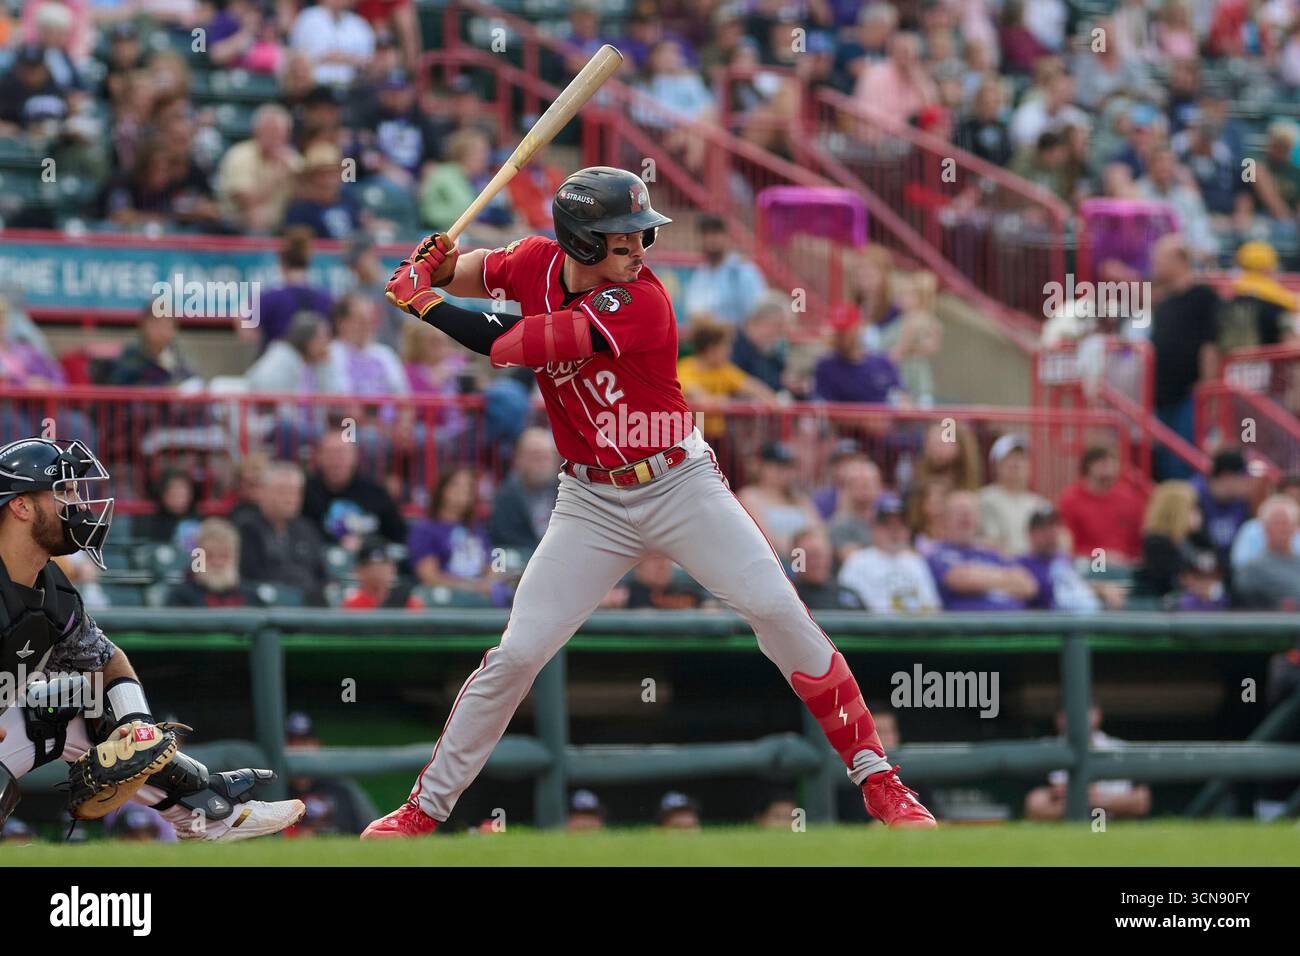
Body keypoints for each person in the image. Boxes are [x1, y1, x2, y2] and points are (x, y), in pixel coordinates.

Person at [366, 165, 937, 836]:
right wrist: (431, 263)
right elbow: (469, 271)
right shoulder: (531, 262)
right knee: (518, 654)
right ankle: (421, 811)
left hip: (677, 483)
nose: (639, 249)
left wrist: (422, 301)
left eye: (641, 235)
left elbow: (510, 344)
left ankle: (880, 780)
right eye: (622, 238)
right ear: (580, 244)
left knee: (777, 609)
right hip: (590, 501)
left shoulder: (643, 302)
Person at [0, 437, 303, 839]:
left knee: (83, 701)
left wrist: (138, 728)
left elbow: (107, 661)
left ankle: (209, 814)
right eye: (64, 492)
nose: (77, 504)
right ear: (20, 506)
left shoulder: (53, 590)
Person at [1148, 234, 1220, 481]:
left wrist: (1207, 387)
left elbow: (1210, 344)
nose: (1154, 264)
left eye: (1159, 258)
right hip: (1162, 395)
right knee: (1164, 462)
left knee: (1182, 462)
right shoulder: (1164, 302)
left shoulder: (1203, 296)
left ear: (1180, 260)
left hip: (1190, 394)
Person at [1023, 706, 1152, 821]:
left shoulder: (1119, 748)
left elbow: (1142, 801)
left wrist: (1099, 800)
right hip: (1066, 822)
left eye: (1087, 710)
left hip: (1111, 820)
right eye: (1067, 712)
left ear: (1098, 714)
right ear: (1058, 718)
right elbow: (1034, 804)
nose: (1079, 717)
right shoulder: (1046, 749)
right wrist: (1075, 796)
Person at [234, 461, 328, 606]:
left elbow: (321, 574)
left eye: (296, 492)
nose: (290, 498)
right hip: (264, 610)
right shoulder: (245, 528)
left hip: (308, 609)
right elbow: (250, 576)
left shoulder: (307, 530)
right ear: (263, 492)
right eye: (283, 491)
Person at [928, 491, 1038, 611]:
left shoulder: (992, 552)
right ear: (945, 520)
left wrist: (982, 580)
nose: (966, 515)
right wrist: (1007, 579)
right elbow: (961, 580)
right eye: (959, 512)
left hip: (1017, 623)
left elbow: (1029, 586)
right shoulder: (939, 553)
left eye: (971, 511)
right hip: (973, 626)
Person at [302, 430, 407, 550]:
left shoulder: (375, 493)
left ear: (355, 457)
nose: (336, 460)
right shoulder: (305, 492)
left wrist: (368, 544)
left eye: (342, 453)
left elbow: (397, 536)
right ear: (319, 457)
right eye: (330, 453)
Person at [838, 493, 941, 613]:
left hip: (917, 627)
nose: (894, 530)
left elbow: (934, 608)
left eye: (900, 525)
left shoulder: (916, 562)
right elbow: (849, 607)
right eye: (887, 524)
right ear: (874, 528)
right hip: (876, 629)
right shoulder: (858, 561)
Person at [407, 467, 499, 600]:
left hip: (480, 596)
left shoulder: (477, 529)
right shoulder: (424, 529)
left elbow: (494, 561)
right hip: (446, 599)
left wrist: (492, 579)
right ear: (442, 489)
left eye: (469, 486)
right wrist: (473, 587)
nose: (464, 491)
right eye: (456, 485)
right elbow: (429, 576)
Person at [214, 103, 301, 234]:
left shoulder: (291, 158)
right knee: (257, 215)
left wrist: (297, 177)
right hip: (236, 223)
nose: (275, 138)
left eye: (280, 133)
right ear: (256, 131)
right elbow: (246, 201)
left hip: (283, 223)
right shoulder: (240, 155)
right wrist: (277, 179)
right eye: (270, 131)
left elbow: (307, 194)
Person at [1057, 445, 1147, 566]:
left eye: (1113, 463)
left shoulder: (1130, 498)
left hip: (1126, 568)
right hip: (1090, 567)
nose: (1109, 469)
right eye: (1103, 463)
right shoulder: (1071, 500)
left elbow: (1139, 541)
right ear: (1088, 466)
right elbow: (1066, 547)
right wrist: (1102, 557)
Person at [737, 441, 825, 559]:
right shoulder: (750, 496)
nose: (783, 472)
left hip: (805, 562)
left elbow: (818, 531)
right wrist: (800, 553)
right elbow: (764, 538)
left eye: (787, 466)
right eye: (776, 466)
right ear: (760, 466)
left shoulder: (800, 499)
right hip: (776, 562)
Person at [1016, 508, 1114, 611]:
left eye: (1054, 527)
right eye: (1044, 529)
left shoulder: (1064, 559)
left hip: (1088, 617)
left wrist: (1102, 590)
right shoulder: (1021, 564)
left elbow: (1079, 585)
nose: (1051, 534)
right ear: (1031, 533)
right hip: (1054, 620)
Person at [681, 215, 768, 325]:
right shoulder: (699, 274)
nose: (710, 240)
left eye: (715, 234)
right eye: (705, 234)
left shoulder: (742, 271)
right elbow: (692, 313)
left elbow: (758, 312)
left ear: (726, 237)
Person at [487, 428, 560, 551]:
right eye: (536, 456)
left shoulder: (565, 489)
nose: (543, 463)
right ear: (519, 459)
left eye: (547, 456)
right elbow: (503, 542)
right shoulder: (506, 496)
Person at [165, 518, 266, 608]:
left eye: (224, 556)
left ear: (235, 558)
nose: (217, 563)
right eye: (210, 556)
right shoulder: (181, 599)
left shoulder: (252, 599)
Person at [978, 434, 1050, 556]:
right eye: (1009, 458)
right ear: (996, 466)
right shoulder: (984, 498)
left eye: (1021, 458)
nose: (1016, 464)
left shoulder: (1040, 504)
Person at [1132, 480, 1205, 599]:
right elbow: (1168, 582)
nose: (1199, 514)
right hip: (1161, 608)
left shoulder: (1192, 539)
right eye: (1193, 508)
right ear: (1177, 511)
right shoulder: (1157, 543)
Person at [1234, 495, 1300, 610]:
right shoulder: (1251, 570)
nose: (1282, 529)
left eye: (1287, 523)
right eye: (1277, 523)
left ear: (1296, 527)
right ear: (1264, 527)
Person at [106, 306, 197, 388]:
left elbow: (190, 380)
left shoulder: (175, 356)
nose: (162, 330)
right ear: (145, 325)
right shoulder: (131, 355)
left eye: (168, 324)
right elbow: (120, 385)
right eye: (157, 323)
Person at [341, 534, 422, 609]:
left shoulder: (407, 601)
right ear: (359, 570)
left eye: (383, 564)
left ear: (392, 568)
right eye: (369, 565)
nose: (377, 570)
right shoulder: (352, 606)